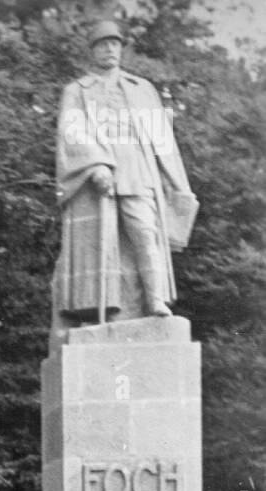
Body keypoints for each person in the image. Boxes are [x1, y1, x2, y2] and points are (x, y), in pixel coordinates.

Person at [54, 19, 197, 324]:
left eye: (115, 43)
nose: (110, 49)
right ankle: (104, 311)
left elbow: (164, 141)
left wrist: (178, 186)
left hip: (137, 172)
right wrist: (95, 165)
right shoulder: (76, 90)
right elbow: (72, 132)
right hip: (97, 180)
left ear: (122, 49)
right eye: (103, 44)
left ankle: (155, 299)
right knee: (102, 247)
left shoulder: (142, 88)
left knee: (146, 236)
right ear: (92, 50)